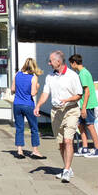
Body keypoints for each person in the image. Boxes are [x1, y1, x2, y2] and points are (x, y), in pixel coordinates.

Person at [36, 50, 83, 182]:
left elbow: (79, 94)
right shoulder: (50, 76)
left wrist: (66, 100)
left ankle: (66, 170)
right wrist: (38, 105)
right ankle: (67, 167)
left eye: (50, 61)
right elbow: (45, 93)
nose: (49, 63)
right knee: (61, 143)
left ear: (58, 61)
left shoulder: (72, 76)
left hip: (71, 110)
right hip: (56, 112)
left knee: (68, 140)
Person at [69, 54, 98, 157]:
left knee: (90, 125)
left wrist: (84, 107)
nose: (71, 66)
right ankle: (85, 147)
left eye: (71, 64)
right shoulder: (83, 72)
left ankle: (97, 149)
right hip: (83, 104)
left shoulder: (83, 74)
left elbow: (87, 91)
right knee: (80, 124)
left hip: (87, 105)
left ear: (74, 63)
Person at [13, 58, 47, 160]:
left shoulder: (17, 74)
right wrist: (37, 87)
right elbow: (33, 93)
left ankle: (19, 150)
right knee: (34, 128)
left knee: (19, 128)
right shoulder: (33, 77)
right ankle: (35, 151)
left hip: (17, 104)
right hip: (28, 105)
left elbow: (13, 89)